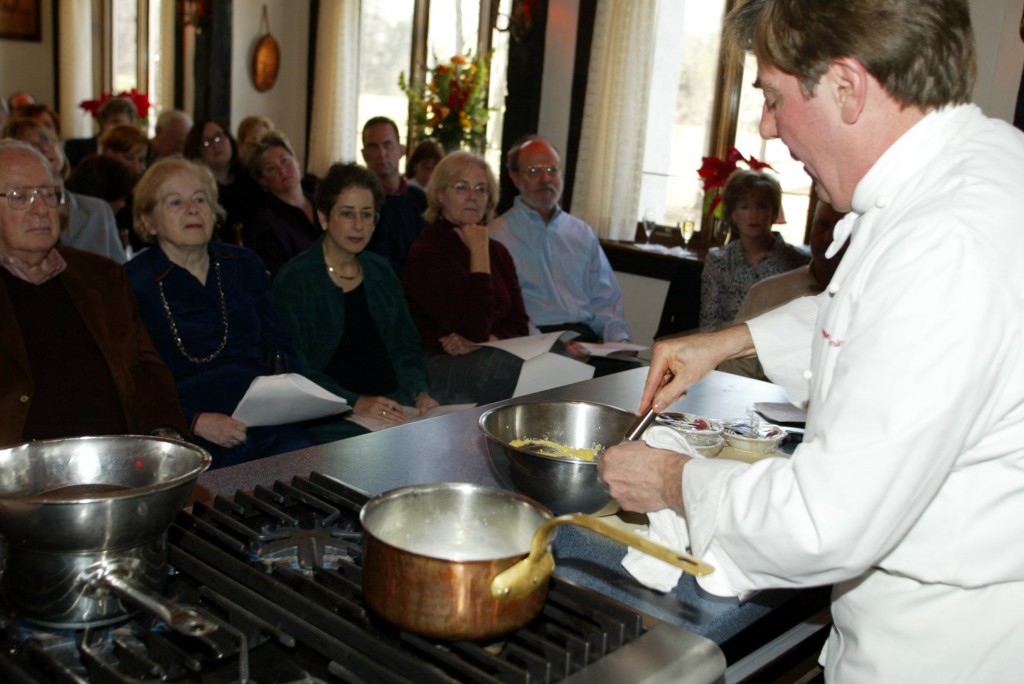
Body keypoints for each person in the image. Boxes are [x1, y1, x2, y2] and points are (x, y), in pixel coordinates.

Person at [597, 1, 1024, 681]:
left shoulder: (948, 241)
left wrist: (676, 480)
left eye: (772, 97)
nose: (766, 129)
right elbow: (869, 321)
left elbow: (825, 521)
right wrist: (732, 340)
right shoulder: (980, 163)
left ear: (847, 87)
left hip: (939, 653)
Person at [125, 158, 316, 469]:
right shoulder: (132, 283)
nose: (192, 209)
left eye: (200, 199)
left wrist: (285, 397)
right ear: (148, 220)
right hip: (184, 428)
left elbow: (280, 348)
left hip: (265, 419)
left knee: (310, 467)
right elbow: (131, 381)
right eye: (175, 202)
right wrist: (194, 421)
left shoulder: (243, 264)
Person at [0, 140, 187, 446]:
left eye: (49, 194)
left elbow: (145, 369)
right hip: (19, 478)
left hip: (118, 464)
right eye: (20, 196)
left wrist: (163, 434)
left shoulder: (102, 277)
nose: (41, 209)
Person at [273, 162, 438, 442]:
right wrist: (355, 402)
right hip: (331, 415)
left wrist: (419, 392)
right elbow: (295, 368)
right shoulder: (295, 279)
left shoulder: (380, 270)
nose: (359, 226)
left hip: (395, 405)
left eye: (367, 215)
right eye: (347, 214)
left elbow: (406, 346)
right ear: (323, 217)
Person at [489, 136, 634, 369]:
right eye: (534, 171)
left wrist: (618, 339)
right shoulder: (495, 236)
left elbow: (605, 300)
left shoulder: (581, 232)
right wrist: (553, 349)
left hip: (586, 341)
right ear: (514, 177)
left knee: (634, 380)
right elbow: (506, 314)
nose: (545, 179)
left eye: (552, 170)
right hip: (532, 345)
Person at [403, 151, 529, 405]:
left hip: (490, 355)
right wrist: (479, 257)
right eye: (462, 187)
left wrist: (490, 342)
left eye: (481, 189)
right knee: (511, 368)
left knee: (557, 358)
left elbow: (520, 323)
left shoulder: (499, 252)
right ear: (440, 195)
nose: (473, 196)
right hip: (438, 362)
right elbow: (473, 329)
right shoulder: (426, 252)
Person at [717, 200, 846, 380]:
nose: (828, 238)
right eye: (823, 226)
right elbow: (731, 375)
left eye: (842, 229)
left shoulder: (876, 302)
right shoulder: (766, 293)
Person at [3, 118, 126, 263]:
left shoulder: (98, 209)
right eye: (30, 145)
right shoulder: (16, 214)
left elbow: (121, 269)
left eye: (46, 139)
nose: (44, 148)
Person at [699, 168, 809, 330]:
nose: (753, 214)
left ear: (773, 212)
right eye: (745, 207)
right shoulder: (718, 261)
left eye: (762, 206)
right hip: (726, 352)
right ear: (733, 214)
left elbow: (801, 325)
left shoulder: (797, 262)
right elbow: (708, 325)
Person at [241, 131, 320, 276]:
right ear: (262, 181)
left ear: (296, 160)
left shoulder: (323, 202)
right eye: (271, 168)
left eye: (285, 160)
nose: (282, 171)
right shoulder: (265, 224)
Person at [360, 116, 427, 278]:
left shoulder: (420, 199)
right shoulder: (360, 204)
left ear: (401, 150)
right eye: (373, 146)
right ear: (364, 154)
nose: (381, 153)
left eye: (387, 144)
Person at [183, 117, 262, 243]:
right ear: (197, 151)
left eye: (219, 137)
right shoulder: (197, 190)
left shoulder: (251, 178)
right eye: (206, 143)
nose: (215, 145)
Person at [65, 96, 138, 170]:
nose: (117, 128)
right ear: (103, 122)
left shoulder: (136, 155)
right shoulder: (75, 148)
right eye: (114, 122)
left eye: (122, 124)